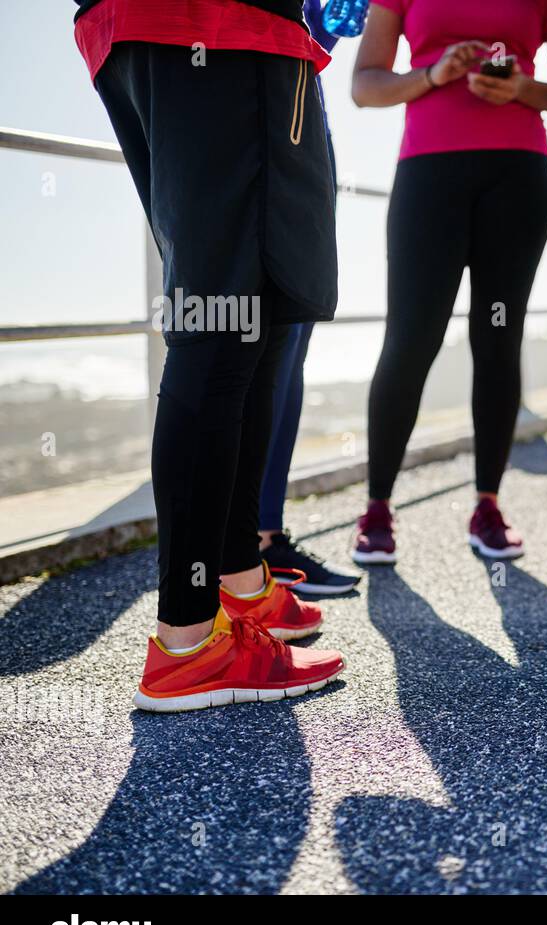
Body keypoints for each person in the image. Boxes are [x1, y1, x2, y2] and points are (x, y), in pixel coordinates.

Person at [71, 0, 346, 711]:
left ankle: (235, 583)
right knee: (226, 317)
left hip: (146, 30)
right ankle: (188, 643)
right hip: (224, 25)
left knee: (257, 311)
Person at [349, 0, 547, 563]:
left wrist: (524, 88)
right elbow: (363, 85)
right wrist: (433, 74)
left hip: (518, 177)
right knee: (410, 339)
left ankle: (488, 506)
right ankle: (377, 509)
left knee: (498, 340)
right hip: (428, 177)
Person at [257, 0, 364, 596]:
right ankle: (242, 551)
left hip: (300, 124)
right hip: (261, 121)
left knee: (289, 349)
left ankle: (262, 540)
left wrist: (324, 20)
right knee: (258, 346)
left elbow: (322, 41)